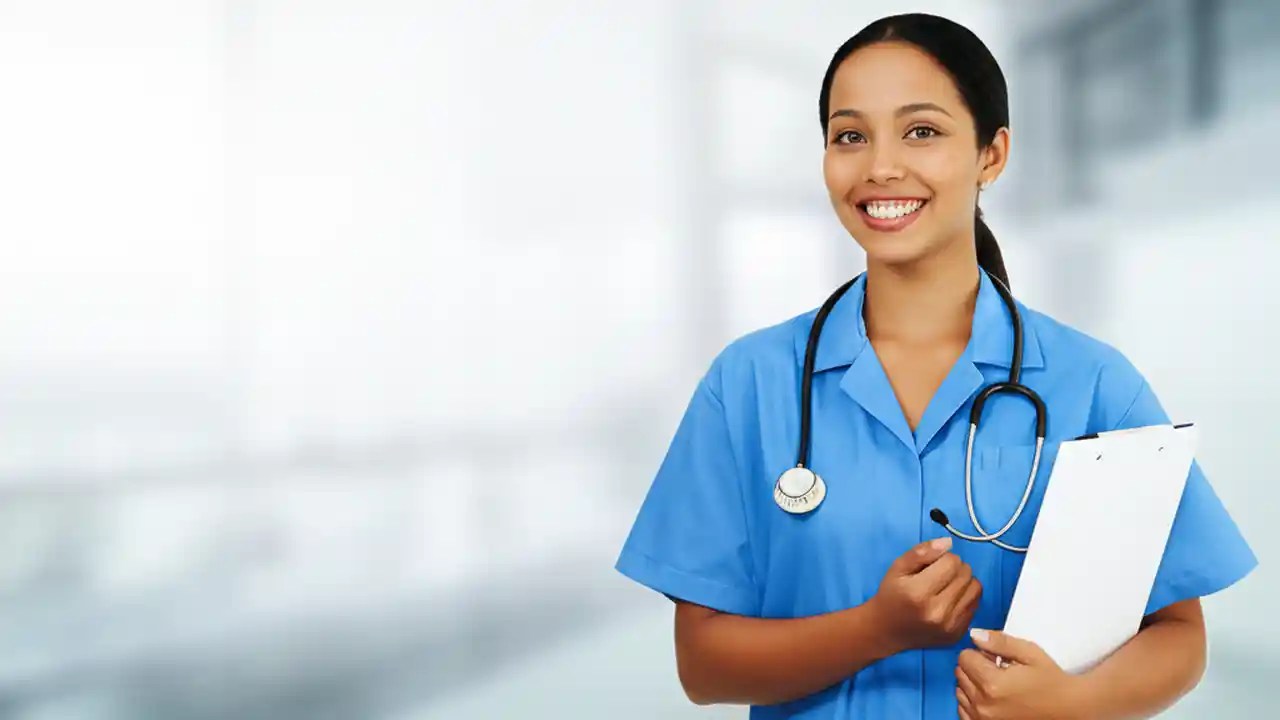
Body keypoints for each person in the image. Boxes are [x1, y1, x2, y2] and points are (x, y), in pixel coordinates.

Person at [613, 12, 1256, 720]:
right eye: (850, 135)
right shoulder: (749, 385)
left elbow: (1179, 636)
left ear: (992, 153)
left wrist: (1071, 704)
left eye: (922, 131)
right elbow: (703, 665)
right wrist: (877, 629)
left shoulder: (1093, 384)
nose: (881, 166)